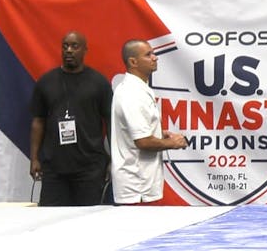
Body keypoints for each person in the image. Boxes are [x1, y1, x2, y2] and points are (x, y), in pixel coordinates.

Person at [28, 31, 113, 205]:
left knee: (89, 220)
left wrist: (114, 159)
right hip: (54, 168)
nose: (69, 50)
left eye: (75, 46)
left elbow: (110, 122)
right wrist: (34, 158)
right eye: (65, 46)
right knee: (50, 220)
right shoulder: (46, 82)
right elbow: (38, 121)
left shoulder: (99, 83)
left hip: (90, 167)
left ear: (84, 50)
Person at [110, 39, 188, 204]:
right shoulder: (132, 93)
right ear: (133, 62)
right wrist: (172, 143)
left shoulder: (140, 89)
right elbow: (143, 142)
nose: (155, 57)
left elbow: (139, 131)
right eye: (148, 54)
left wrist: (160, 133)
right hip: (136, 185)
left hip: (143, 182)